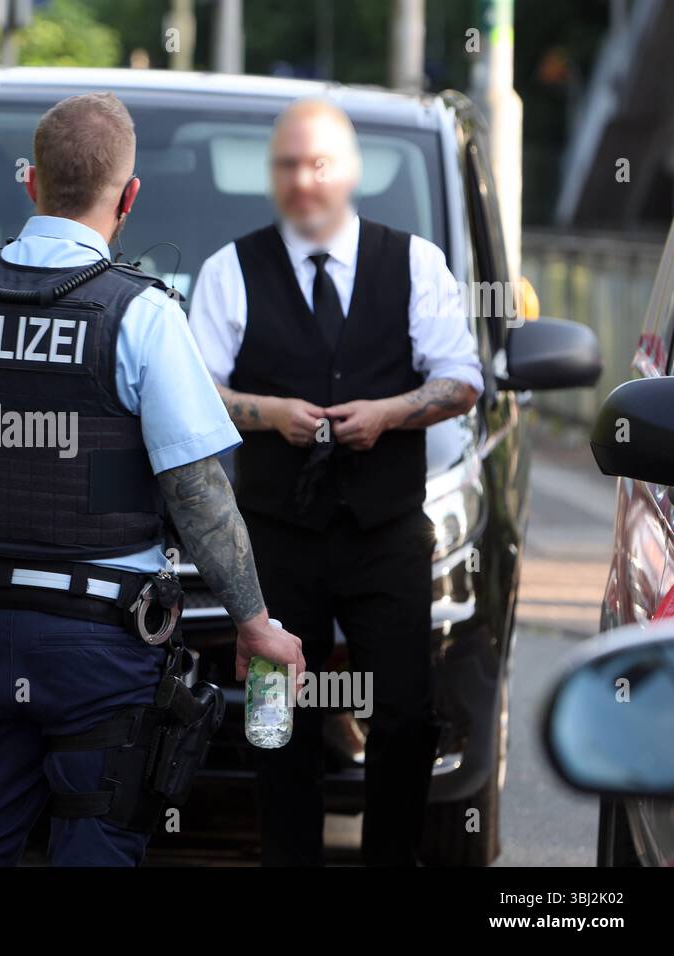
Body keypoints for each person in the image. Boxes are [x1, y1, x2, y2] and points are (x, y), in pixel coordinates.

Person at [0, 92, 304, 867]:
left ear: (31, 182)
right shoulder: (144, 315)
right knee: (95, 842)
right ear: (130, 197)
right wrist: (254, 622)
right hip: (101, 642)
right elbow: (197, 492)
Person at [187, 98, 484, 866]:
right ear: (272, 175)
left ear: (351, 171)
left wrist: (387, 414)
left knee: (405, 717)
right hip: (274, 537)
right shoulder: (230, 270)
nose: (303, 180)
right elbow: (191, 392)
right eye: (288, 165)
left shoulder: (415, 263)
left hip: (387, 532)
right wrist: (269, 414)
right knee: (275, 717)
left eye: (319, 163)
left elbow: (462, 380)